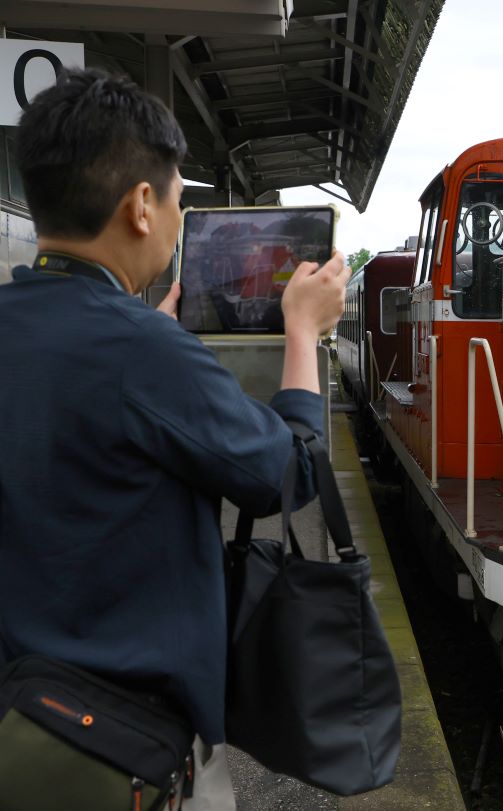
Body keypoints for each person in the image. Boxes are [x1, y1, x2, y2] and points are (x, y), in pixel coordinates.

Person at [0, 68, 349, 808]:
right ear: (140, 205)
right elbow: (287, 475)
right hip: (121, 750)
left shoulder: (109, 340)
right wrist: (301, 330)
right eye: (180, 198)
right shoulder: (144, 354)